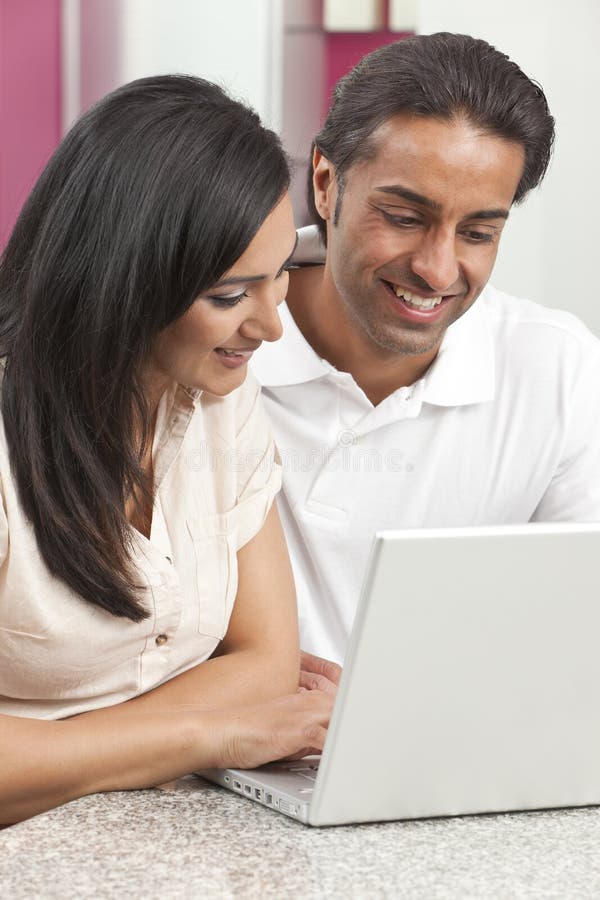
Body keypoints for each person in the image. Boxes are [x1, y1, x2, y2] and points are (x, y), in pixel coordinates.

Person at [0, 75, 333, 826]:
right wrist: (203, 731)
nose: (270, 326)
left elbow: (266, 667)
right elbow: (240, 706)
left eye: (279, 275)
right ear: (122, 281)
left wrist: (35, 753)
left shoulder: (219, 395)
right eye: (228, 296)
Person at [252, 32, 600, 664]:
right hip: (225, 752)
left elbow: (580, 640)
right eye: (405, 218)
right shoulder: (212, 341)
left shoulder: (560, 374)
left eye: (478, 232)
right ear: (326, 183)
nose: (439, 271)